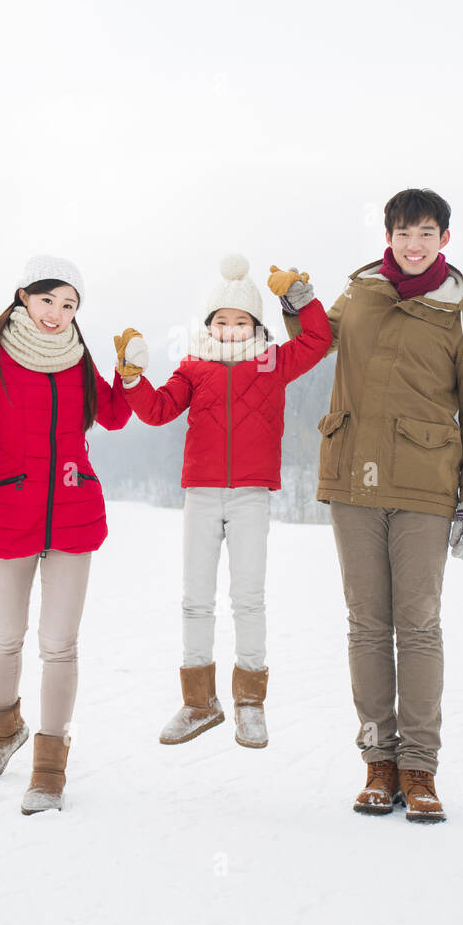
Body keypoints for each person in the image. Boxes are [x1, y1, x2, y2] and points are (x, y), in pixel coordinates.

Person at [281, 190, 463, 822]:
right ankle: (379, 761)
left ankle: (419, 768)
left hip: (426, 490)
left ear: (444, 239)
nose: (414, 245)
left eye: (426, 233)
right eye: (404, 233)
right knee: (367, 624)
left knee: (419, 625)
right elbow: (314, 343)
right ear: (389, 236)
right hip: (353, 480)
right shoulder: (360, 297)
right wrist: (299, 307)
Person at [0, 254, 132, 815]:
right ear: (22, 297)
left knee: (59, 645)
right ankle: (4, 726)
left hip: (74, 513)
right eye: (48, 301)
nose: (57, 315)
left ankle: (49, 764)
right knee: (5, 637)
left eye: (69, 305)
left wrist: (128, 375)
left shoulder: (78, 361)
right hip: (10, 511)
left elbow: (112, 416)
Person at [113, 254, 332, 748]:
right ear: (209, 324)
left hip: (252, 495)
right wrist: (131, 379)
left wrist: (301, 297)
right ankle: (198, 703)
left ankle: (250, 703)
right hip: (202, 495)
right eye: (222, 321)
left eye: (241, 321)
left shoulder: (273, 362)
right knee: (195, 600)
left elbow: (318, 340)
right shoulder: (193, 368)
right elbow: (158, 410)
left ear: (255, 324)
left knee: (248, 599)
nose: (231, 329)